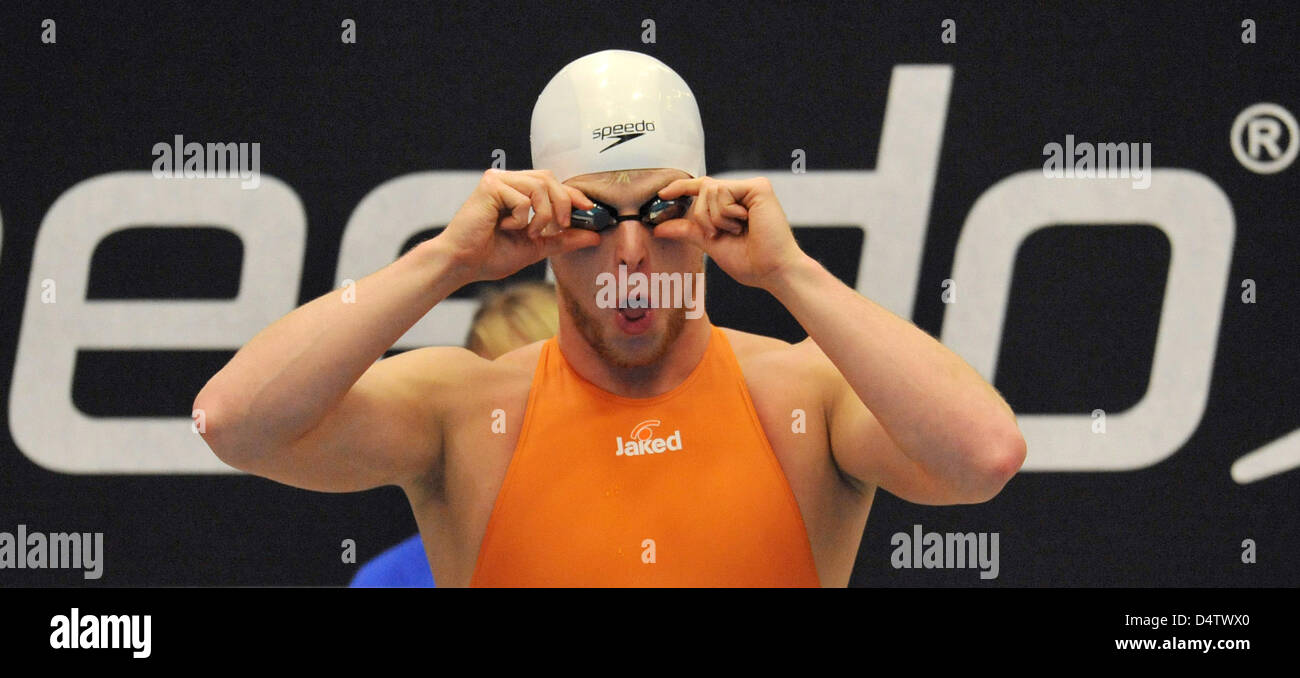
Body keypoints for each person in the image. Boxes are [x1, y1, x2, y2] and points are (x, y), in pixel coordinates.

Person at [195, 50, 1026, 587]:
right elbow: (235, 422)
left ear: (710, 216)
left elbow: (983, 455)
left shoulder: (802, 398)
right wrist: (443, 260)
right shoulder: (466, 413)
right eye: (593, 218)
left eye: (661, 213)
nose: (630, 254)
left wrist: (793, 273)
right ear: (543, 228)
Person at [348, 282, 560, 588]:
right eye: (491, 397)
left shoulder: (634, 544)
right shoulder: (391, 579)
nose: (509, 418)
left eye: (536, 389)